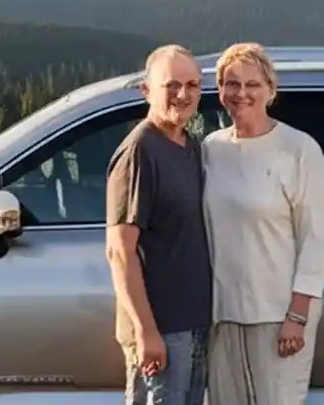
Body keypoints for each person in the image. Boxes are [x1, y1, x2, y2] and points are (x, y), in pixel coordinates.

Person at [202, 42, 324, 404]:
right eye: (231, 83)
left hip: (278, 314)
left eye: (252, 84)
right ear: (220, 90)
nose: (241, 93)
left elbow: (316, 238)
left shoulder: (299, 149)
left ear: (270, 90)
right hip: (222, 314)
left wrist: (297, 315)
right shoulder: (211, 149)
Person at [104, 44, 213, 405]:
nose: (183, 95)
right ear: (146, 90)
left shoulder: (189, 147)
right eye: (172, 85)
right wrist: (146, 332)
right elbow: (120, 251)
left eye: (193, 85)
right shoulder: (140, 151)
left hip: (194, 323)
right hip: (162, 330)